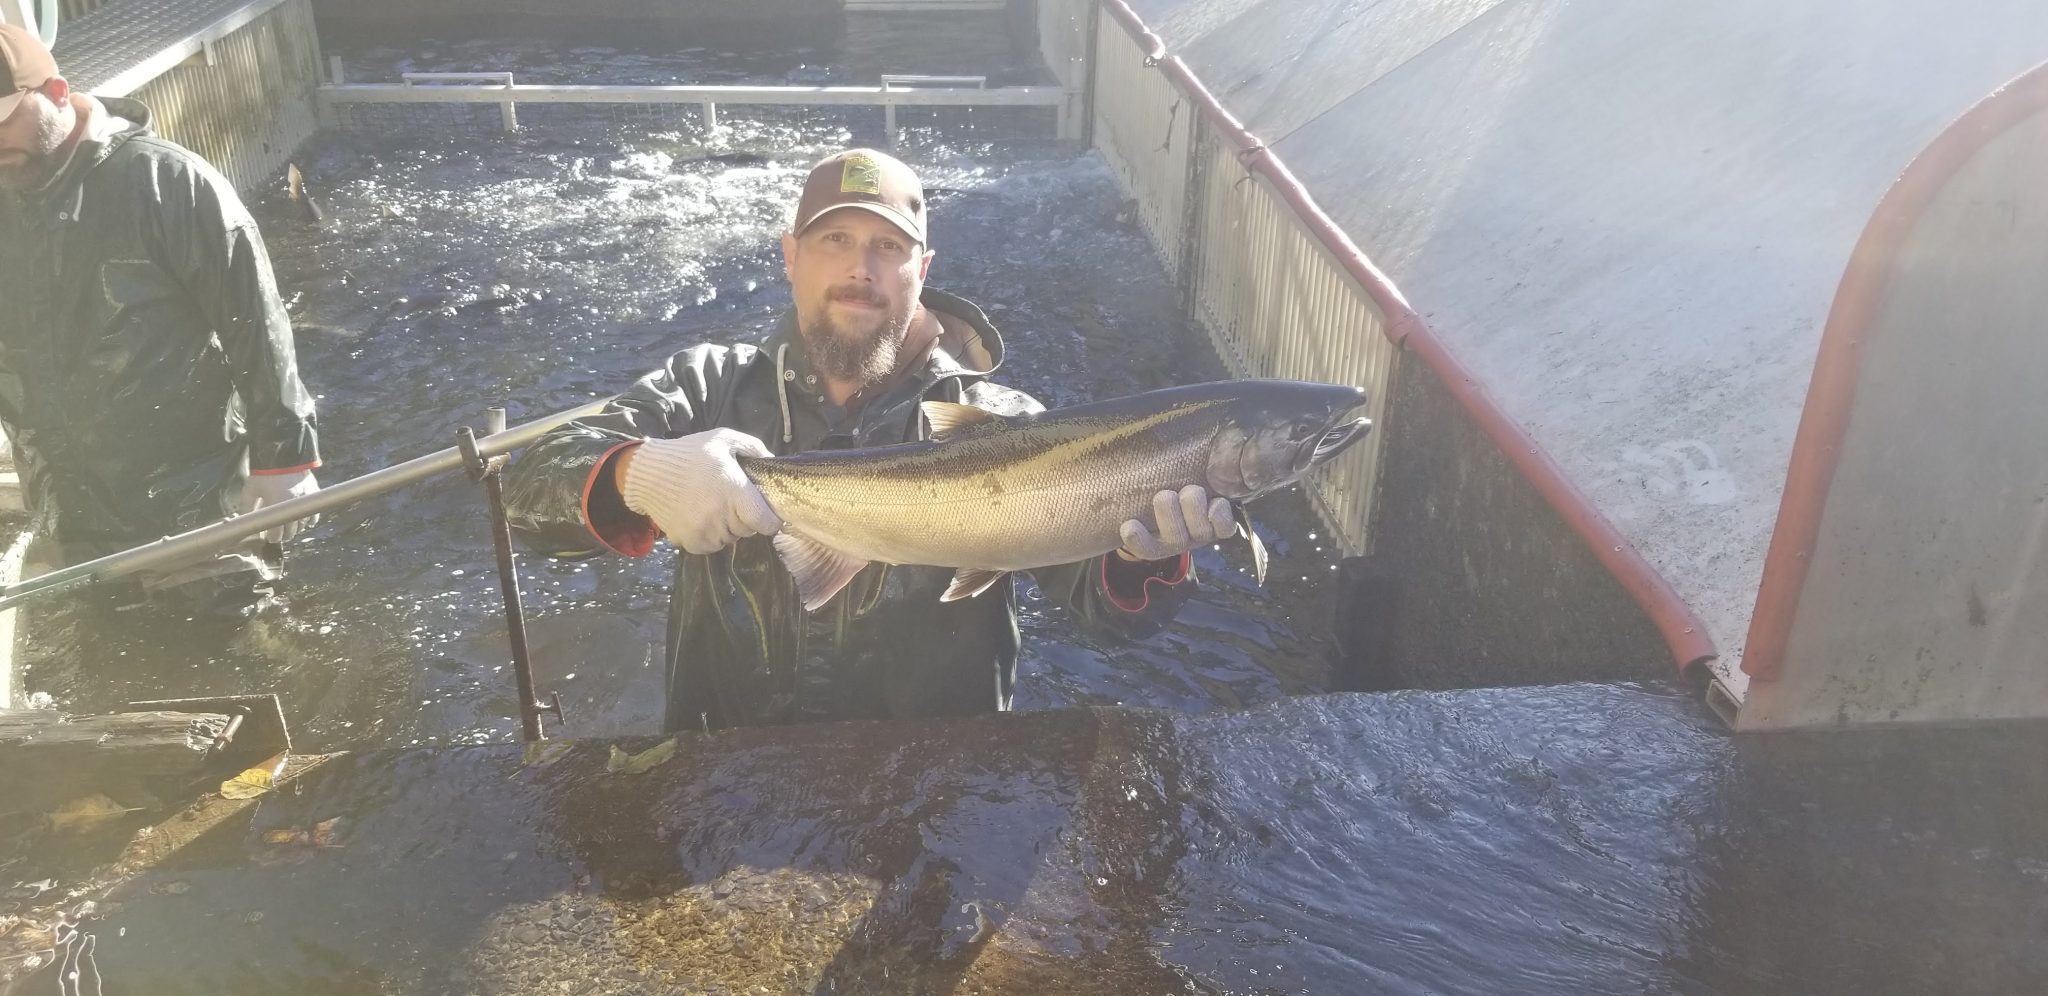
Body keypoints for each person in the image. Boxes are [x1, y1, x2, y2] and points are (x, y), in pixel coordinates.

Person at [504, 148, 1236, 731]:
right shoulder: (705, 389)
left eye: (889, 246)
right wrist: (638, 474)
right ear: (790, 256)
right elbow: (528, 495)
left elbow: (1112, 620)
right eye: (836, 241)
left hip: (935, 786)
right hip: (725, 769)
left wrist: (1149, 555)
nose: (861, 269)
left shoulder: (1004, 423)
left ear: (922, 271)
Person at [0, 24, 321, 617]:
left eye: (2, 122)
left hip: (196, 507)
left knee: (236, 654)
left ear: (57, 90)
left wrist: (286, 459)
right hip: (69, 513)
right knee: (107, 675)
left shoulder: (167, 182)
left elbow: (256, 321)